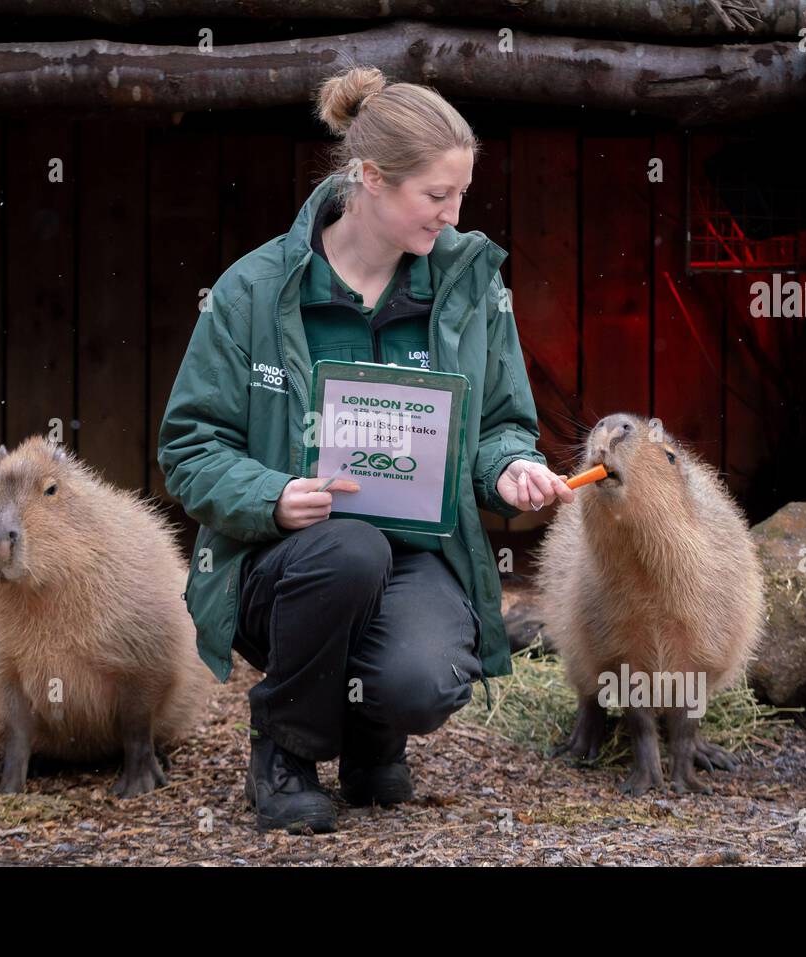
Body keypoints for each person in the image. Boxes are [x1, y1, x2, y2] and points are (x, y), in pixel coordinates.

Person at [158, 65, 574, 834]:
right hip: (283, 561)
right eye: (436, 196)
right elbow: (190, 444)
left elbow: (500, 425)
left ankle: (370, 729)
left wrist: (511, 466)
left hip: (416, 553)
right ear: (372, 179)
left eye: (462, 196)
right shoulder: (253, 290)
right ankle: (283, 750)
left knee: (420, 679)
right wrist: (271, 496)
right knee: (346, 550)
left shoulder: (469, 288)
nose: (453, 219)